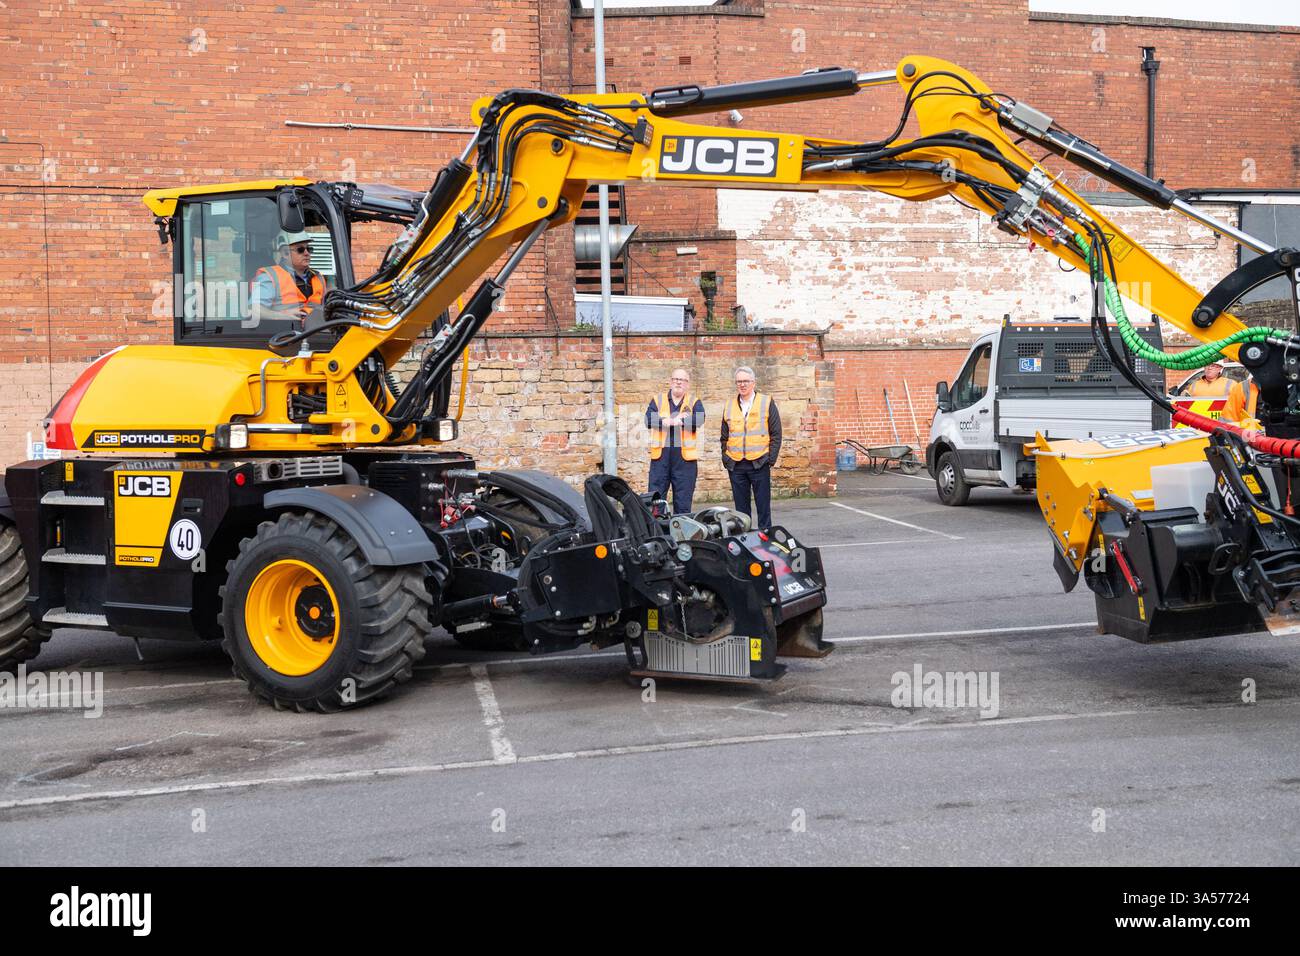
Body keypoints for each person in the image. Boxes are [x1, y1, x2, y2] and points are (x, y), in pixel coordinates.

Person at [720, 365, 781, 529]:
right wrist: (726, 458)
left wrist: (770, 459)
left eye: (746, 381)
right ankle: (744, 540)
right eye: (739, 381)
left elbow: (776, 433)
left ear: (753, 383)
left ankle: (765, 538)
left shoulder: (766, 402)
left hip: (759, 462)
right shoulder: (729, 405)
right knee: (741, 512)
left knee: (763, 507)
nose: (742, 384)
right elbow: (724, 437)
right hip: (736, 464)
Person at [646, 368, 706, 514]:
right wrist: (664, 421)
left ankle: (682, 535)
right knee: (656, 502)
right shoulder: (657, 400)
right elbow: (648, 419)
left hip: (685, 462)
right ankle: (658, 534)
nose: (678, 382)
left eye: (682, 380)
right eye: (675, 379)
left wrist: (681, 420)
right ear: (670, 381)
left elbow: (699, 419)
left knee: (683, 503)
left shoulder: (694, 402)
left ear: (688, 384)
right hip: (661, 460)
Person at [251, 230, 325, 325]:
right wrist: (282, 316)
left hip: (318, 335)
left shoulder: (318, 278)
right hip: (284, 335)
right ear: (285, 253)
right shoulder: (269, 277)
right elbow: (254, 310)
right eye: (300, 250)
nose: (307, 253)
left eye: (309, 249)